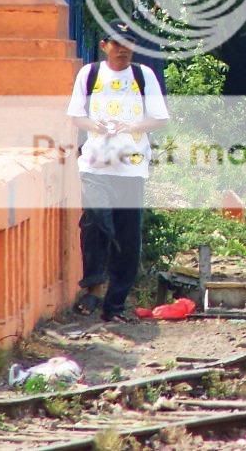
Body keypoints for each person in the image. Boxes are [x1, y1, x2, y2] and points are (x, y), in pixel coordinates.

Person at [67, 20, 169, 321]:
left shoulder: (143, 76)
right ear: (104, 46)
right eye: (116, 43)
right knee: (96, 220)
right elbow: (76, 116)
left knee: (128, 238)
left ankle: (114, 305)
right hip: (95, 164)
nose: (122, 49)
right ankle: (94, 286)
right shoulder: (90, 75)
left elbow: (159, 118)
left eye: (127, 44)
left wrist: (132, 126)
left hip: (132, 168)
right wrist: (95, 126)